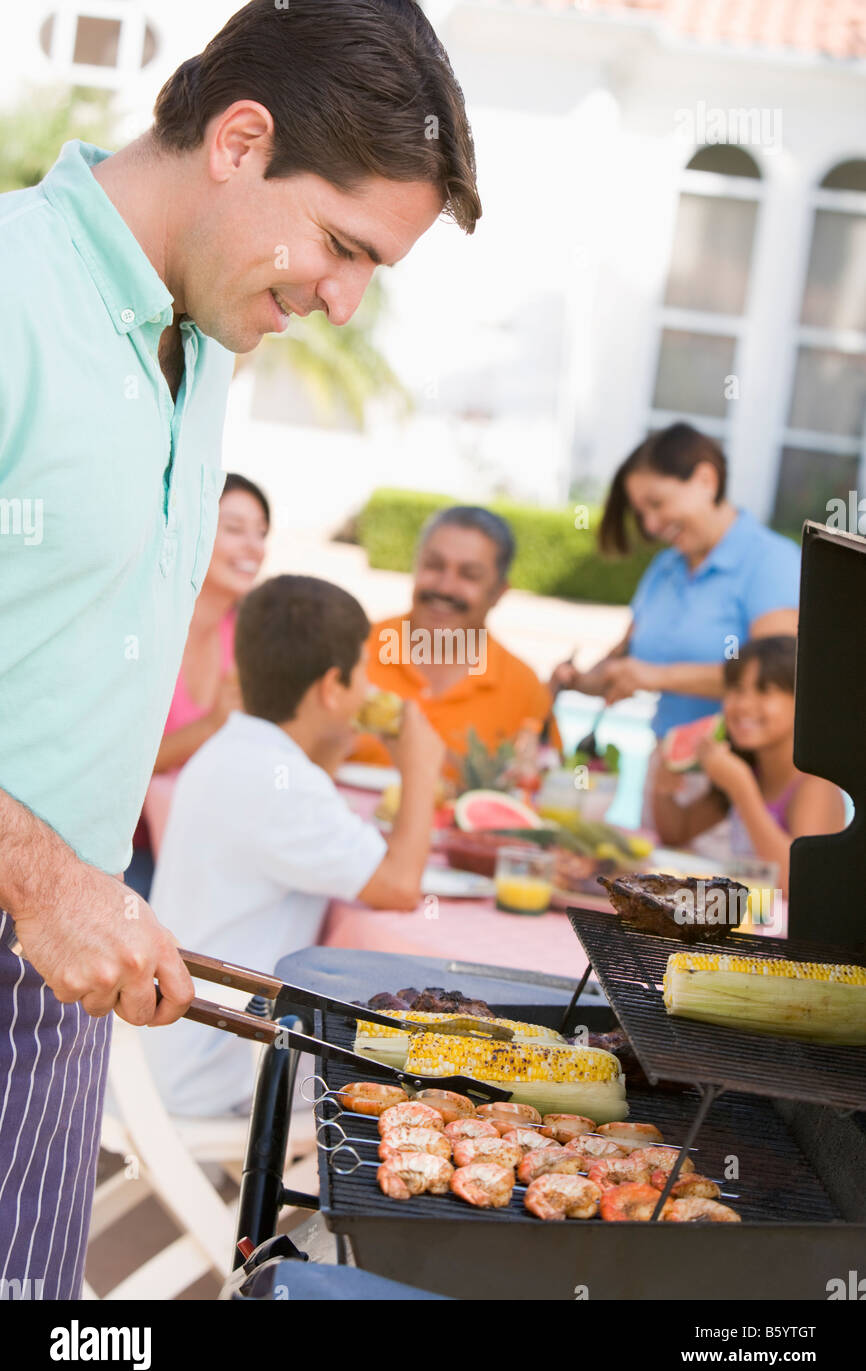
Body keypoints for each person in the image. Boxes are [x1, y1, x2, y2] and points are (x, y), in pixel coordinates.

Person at [0, 0, 480, 1298]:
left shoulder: (204, 336)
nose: (340, 299)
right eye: (340, 245)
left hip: (58, 970)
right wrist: (42, 877)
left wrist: (70, 890)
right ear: (238, 140)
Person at [140, 575, 444, 1116]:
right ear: (332, 687)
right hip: (218, 1075)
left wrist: (334, 737)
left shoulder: (235, 749)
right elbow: (398, 887)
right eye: (363, 672)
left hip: (161, 1052)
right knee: (427, 1063)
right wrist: (421, 768)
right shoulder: (280, 782)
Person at [551, 424, 800, 738]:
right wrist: (580, 680)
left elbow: (778, 678)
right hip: (667, 770)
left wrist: (659, 677)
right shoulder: (666, 566)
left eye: (656, 504)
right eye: (641, 514)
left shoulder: (771, 561)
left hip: (739, 777)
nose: (651, 525)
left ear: (706, 480)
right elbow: (627, 657)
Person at [125, 475, 270, 898]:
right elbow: (118, 765)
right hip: (124, 857)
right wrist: (211, 727)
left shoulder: (249, 639)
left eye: (261, 532)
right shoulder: (145, 629)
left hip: (206, 849)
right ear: (195, 527)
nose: (253, 547)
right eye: (235, 528)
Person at [351, 505, 561, 776]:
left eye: (469, 575)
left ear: (499, 592)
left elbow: (547, 791)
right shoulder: (351, 647)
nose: (445, 587)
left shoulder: (526, 690)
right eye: (434, 566)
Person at [651, 637, 846, 896]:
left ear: (804, 702)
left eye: (763, 691)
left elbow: (802, 886)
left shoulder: (815, 785)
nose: (743, 705)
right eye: (736, 689)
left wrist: (742, 789)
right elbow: (677, 834)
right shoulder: (749, 767)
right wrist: (664, 786)